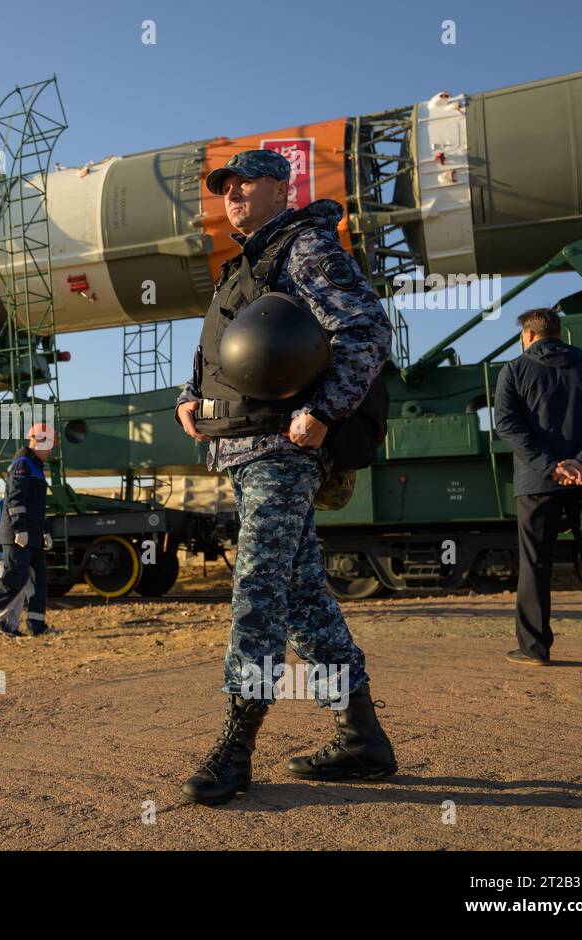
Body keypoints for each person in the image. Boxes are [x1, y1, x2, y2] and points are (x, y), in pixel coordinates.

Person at [174, 149, 397, 806]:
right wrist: (188, 397)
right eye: (226, 186)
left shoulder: (303, 247)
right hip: (241, 447)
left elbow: (365, 328)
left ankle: (235, 747)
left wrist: (323, 413)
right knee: (303, 599)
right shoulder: (244, 266)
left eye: (247, 183)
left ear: (282, 187)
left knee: (259, 590)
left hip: (281, 449)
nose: (233, 193)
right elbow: (219, 353)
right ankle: (361, 739)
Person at [493, 307, 582, 668]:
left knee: (534, 563)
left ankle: (534, 649)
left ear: (528, 335)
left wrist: (550, 466)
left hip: (536, 483)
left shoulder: (514, 370)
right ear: (559, 332)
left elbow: (507, 424)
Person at [0, 423, 58, 637]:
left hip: (33, 536)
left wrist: (44, 531)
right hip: (18, 536)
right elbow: (15, 499)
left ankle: (37, 626)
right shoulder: (22, 464)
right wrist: (19, 529)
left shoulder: (36, 467)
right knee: (15, 580)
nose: (51, 451)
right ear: (38, 442)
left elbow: (38, 507)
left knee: (39, 581)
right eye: (49, 445)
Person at [0, 495, 35, 635]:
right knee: (15, 586)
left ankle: (12, 626)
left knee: (21, 587)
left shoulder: (20, 502)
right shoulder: (1, 503)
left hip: (14, 555)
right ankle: (0, 619)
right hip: (0, 554)